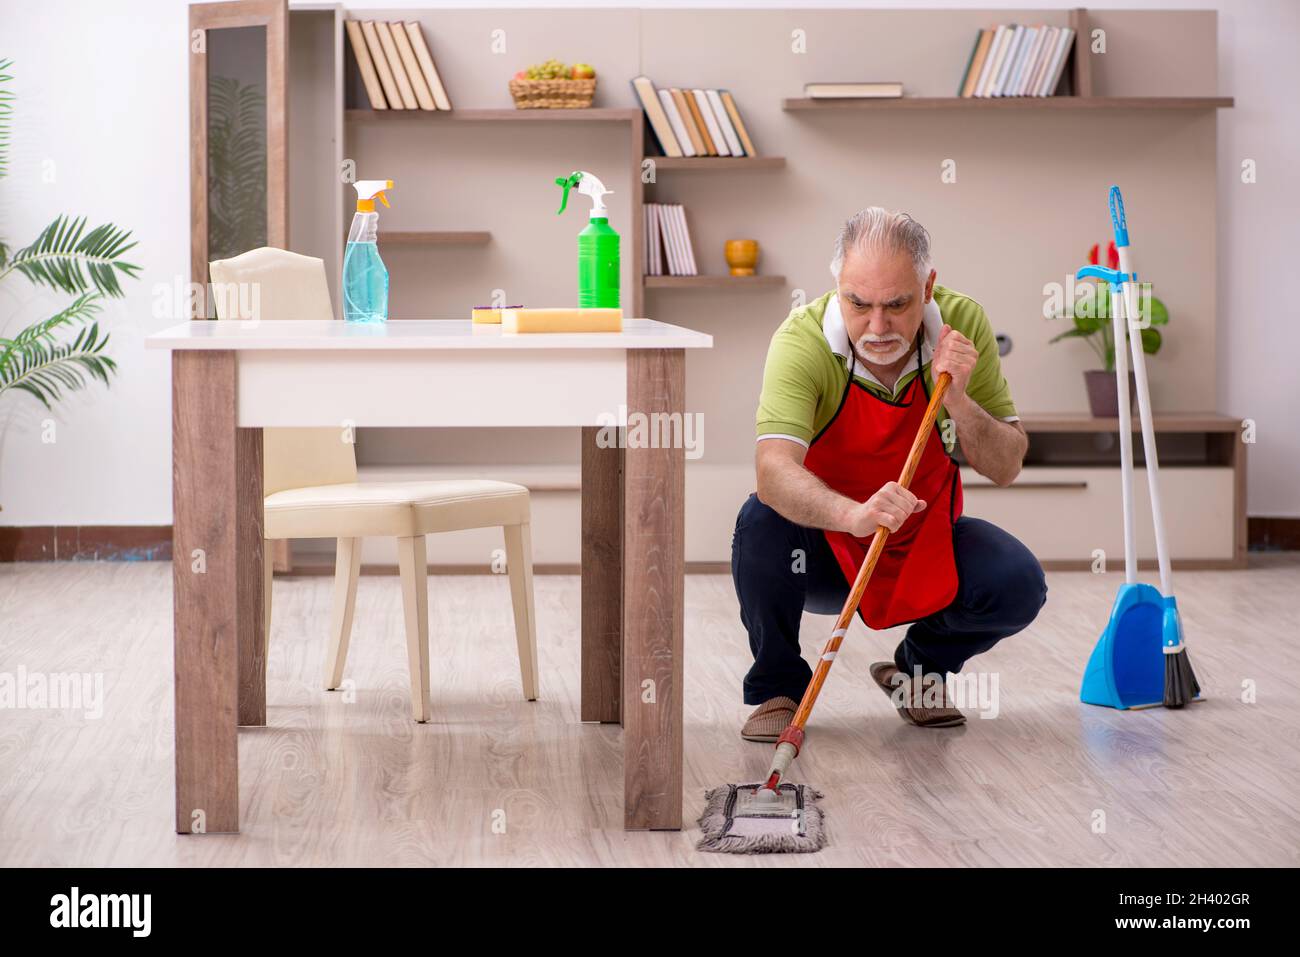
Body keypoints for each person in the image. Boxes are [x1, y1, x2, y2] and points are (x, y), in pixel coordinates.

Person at [733, 207, 1047, 738]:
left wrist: (962, 401)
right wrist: (850, 514)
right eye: (859, 304)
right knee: (760, 521)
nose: (877, 327)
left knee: (1017, 582)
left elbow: (1007, 465)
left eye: (897, 305)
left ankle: (917, 672)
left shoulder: (961, 325)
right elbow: (773, 469)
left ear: (927, 287)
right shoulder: (802, 340)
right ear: (838, 287)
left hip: (923, 540)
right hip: (826, 549)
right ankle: (779, 686)